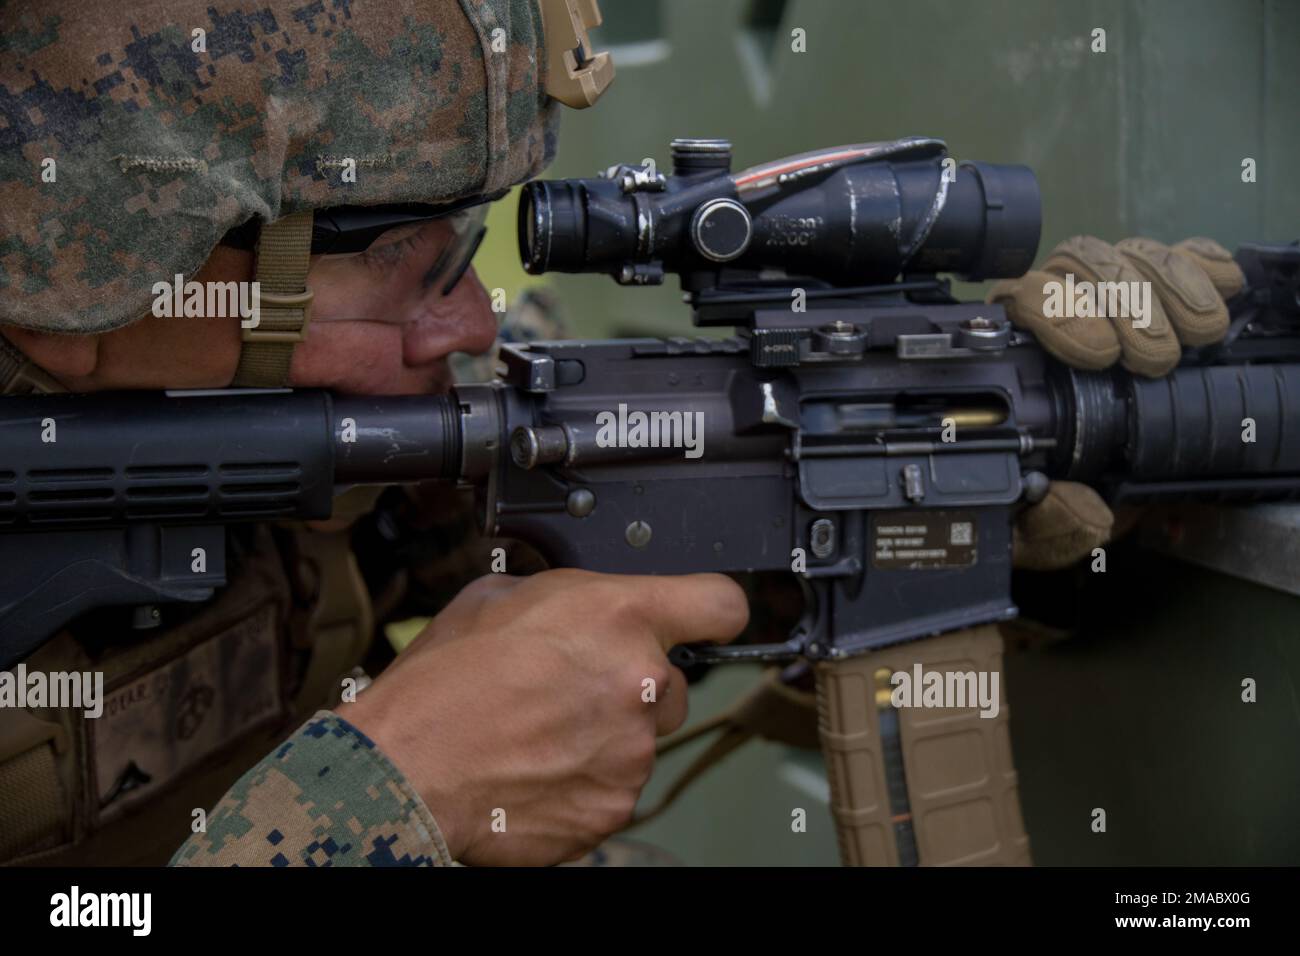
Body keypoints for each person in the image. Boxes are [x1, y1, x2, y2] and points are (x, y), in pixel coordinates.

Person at [0, 1, 1244, 867]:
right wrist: (387, 805)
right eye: (412, 268)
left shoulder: (341, 409)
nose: (475, 318)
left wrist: (1013, 434)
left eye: (472, 253)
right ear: (92, 291)